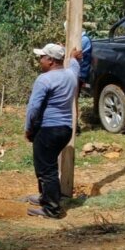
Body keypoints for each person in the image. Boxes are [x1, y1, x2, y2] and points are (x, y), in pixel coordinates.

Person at [24, 43, 82, 219]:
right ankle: (45, 197)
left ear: (50, 60)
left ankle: (52, 209)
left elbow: (33, 107)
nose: (40, 60)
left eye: (42, 57)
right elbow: (74, 65)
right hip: (65, 129)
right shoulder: (71, 75)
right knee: (46, 165)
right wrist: (72, 57)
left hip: (48, 130)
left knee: (46, 169)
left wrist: (28, 128)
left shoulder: (44, 79)